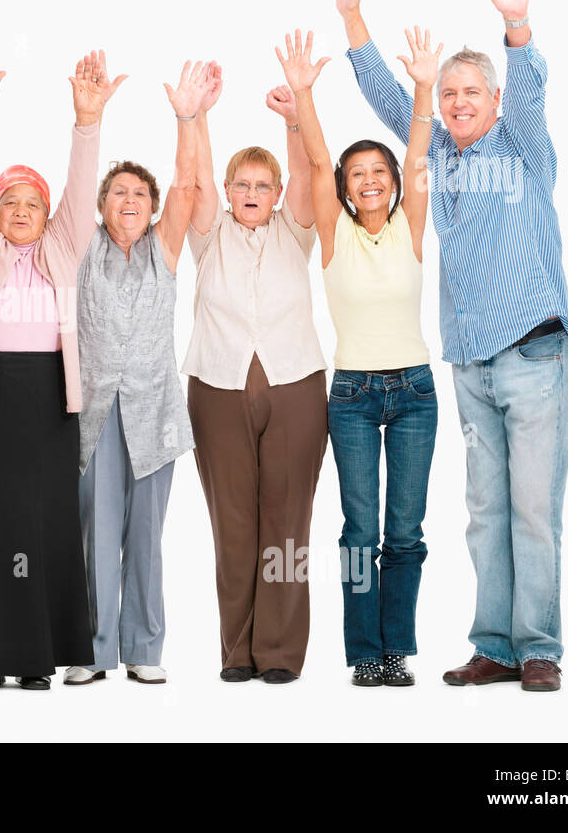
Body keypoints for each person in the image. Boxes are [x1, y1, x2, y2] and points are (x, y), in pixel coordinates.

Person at [331, 0, 568, 692]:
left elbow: (531, 89)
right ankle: (495, 644)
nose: (461, 100)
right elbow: (384, 98)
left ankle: (538, 647)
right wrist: (352, 16)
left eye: (474, 91)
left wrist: (516, 22)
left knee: (533, 511)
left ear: (495, 102)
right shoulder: (435, 151)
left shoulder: (525, 147)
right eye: (451, 92)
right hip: (469, 363)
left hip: (533, 356)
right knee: (484, 512)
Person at [0, 51, 120, 690]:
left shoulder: (65, 247)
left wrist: (87, 121)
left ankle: (36, 656)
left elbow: (79, 186)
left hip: (47, 399)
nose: (21, 211)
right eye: (9, 203)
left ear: (48, 216)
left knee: (43, 523)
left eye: (32, 204)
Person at [277, 27, 441, 687]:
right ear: (345, 187)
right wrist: (303, 94)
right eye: (358, 173)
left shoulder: (410, 225)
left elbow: (422, 149)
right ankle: (362, 653)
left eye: (380, 172)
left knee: (404, 532)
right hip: (350, 396)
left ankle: (395, 648)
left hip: (415, 393)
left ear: (394, 183)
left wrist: (424, 87)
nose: (369, 180)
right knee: (358, 531)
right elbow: (316, 162)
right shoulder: (336, 233)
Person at [63, 61, 210, 688]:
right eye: (118, 192)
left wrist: (185, 116)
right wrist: (88, 117)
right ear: (102, 206)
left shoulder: (163, 249)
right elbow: (72, 190)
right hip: (94, 414)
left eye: (138, 195)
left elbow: (185, 187)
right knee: (94, 536)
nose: (130, 200)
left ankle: (144, 648)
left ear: (150, 209)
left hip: (155, 413)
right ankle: (92, 652)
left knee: (146, 535)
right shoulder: (80, 248)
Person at [182, 64, 329, 685]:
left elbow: (308, 176)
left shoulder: (295, 234)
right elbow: (192, 180)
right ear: (228, 188)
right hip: (217, 386)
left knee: (286, 523)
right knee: (234, 523)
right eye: (240, 183)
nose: (250, 193)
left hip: (295, 385)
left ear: (274, 193)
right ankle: (236, 650)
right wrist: (196, 116)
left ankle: (280, 651)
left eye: (261, 185)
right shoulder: (210, 237)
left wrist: (295, 115)